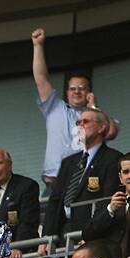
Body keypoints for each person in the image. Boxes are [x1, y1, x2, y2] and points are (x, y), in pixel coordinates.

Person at [32, 28, 119, 186]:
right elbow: (40, 78)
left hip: (84, 179)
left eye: (82, 88)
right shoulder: (55, 107)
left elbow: (111, 132)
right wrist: (38, 46)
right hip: (55, 180)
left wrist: (93, 107)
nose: (77, 92)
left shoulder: (95, 115)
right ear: (67, 92)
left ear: (89, 91)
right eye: (73, 88)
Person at [43, 109, 123, 241]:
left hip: (92, 231)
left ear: (101, 127)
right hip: (64, 231)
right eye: (78, 122)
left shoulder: (112, 159)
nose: (80, 125)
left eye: (85, 122)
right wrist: (47, 237)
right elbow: (55, 201)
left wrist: (93, 231)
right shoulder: (68, 162)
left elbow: (107, 198)